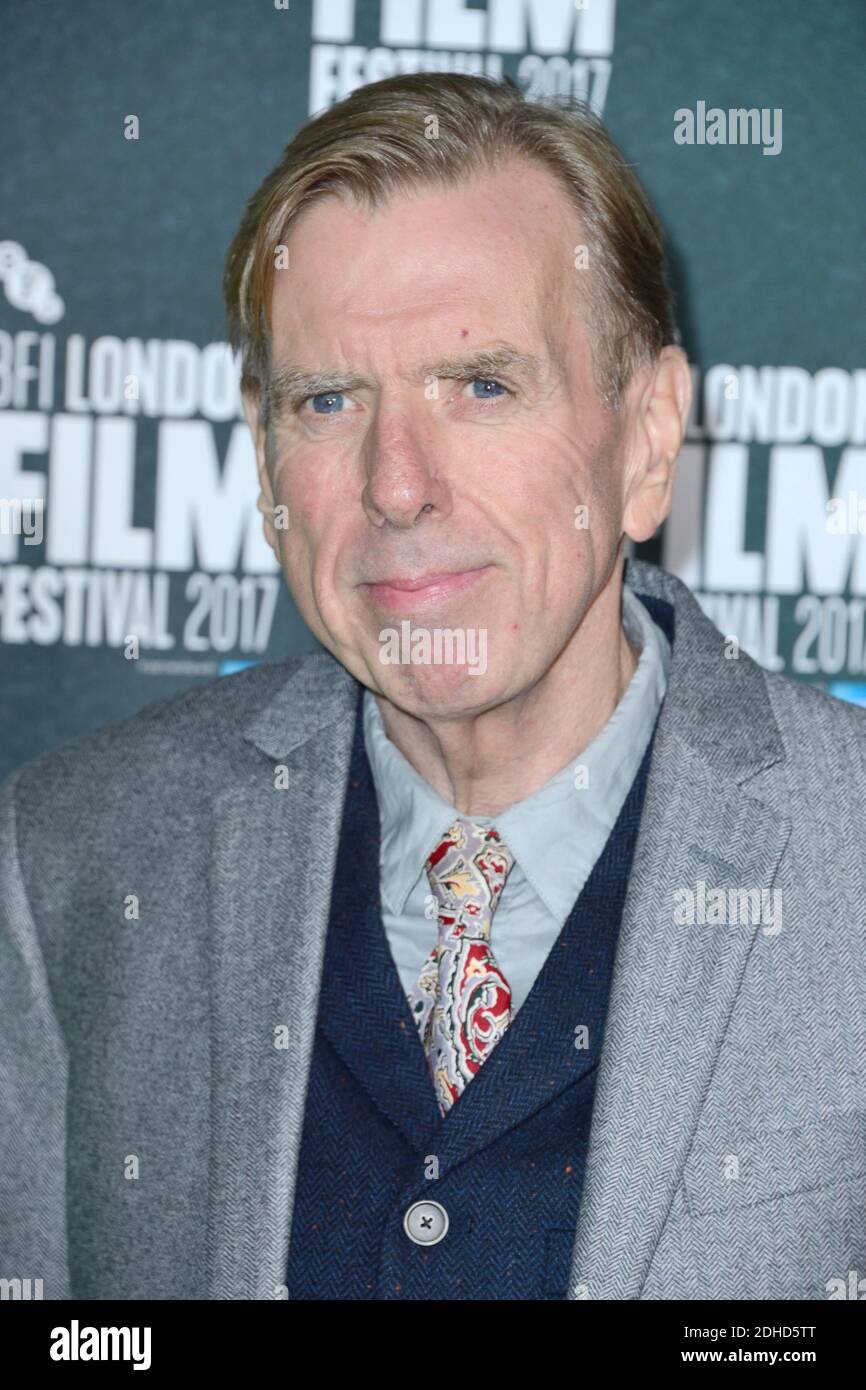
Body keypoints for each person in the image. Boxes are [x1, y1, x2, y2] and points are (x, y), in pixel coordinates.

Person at [2, 73, 864, 1302]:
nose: (395, 485)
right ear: (262, 453)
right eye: (329, 400)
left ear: (649, 437)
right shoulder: (74, 854)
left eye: (482, 385)